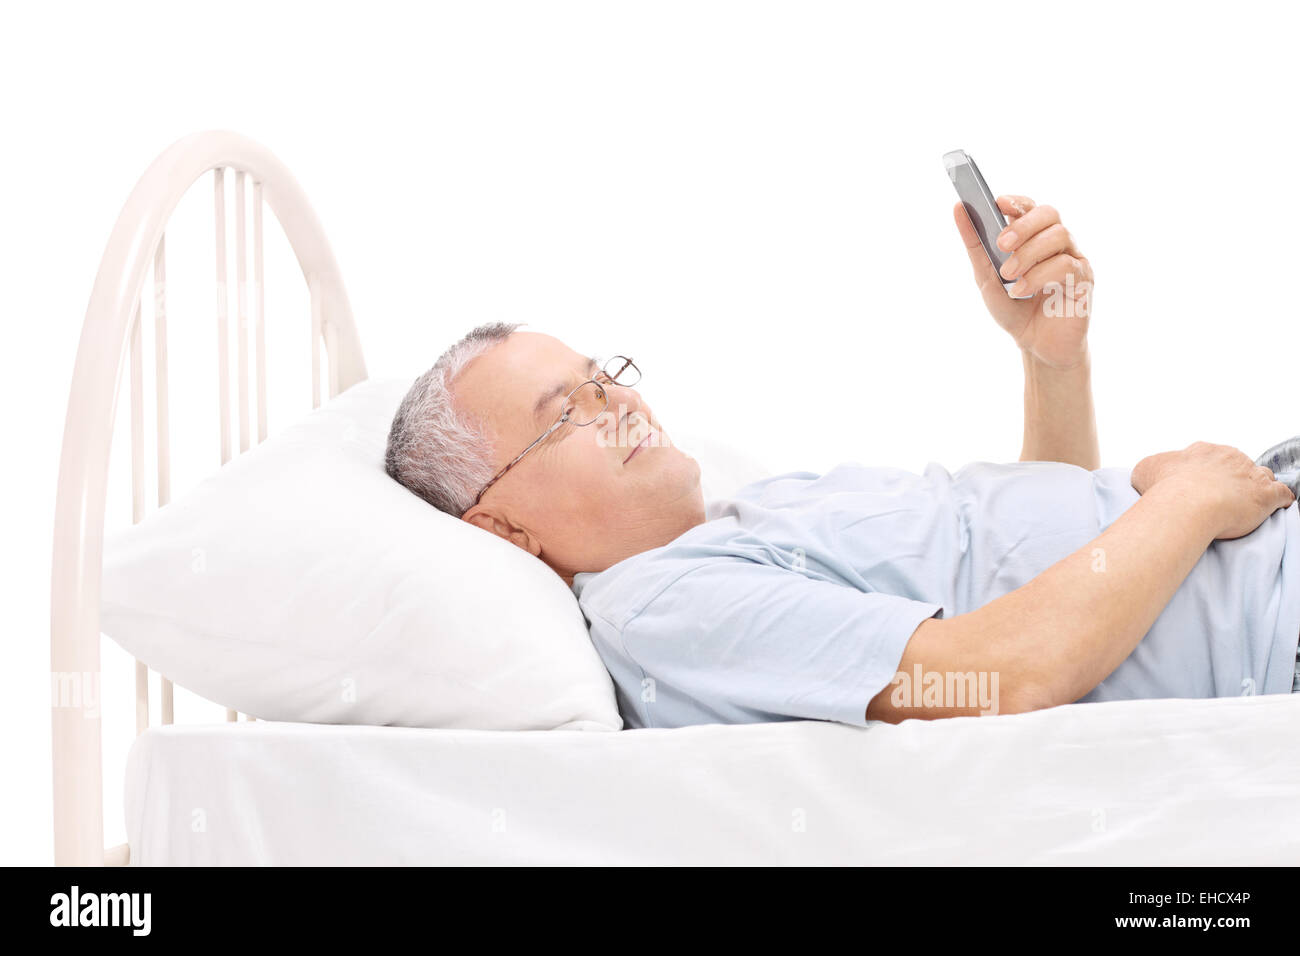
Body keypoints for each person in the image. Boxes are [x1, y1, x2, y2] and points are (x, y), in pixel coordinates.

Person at [384, 195, 1300, 729]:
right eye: (567, 414)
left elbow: (1034, 570)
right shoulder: (655, 608)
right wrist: (1186, 500)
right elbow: (1004, 674)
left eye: (604, 377)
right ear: (501, 528)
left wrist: (1051, 362)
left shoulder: (748, 521)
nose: (619, 402)